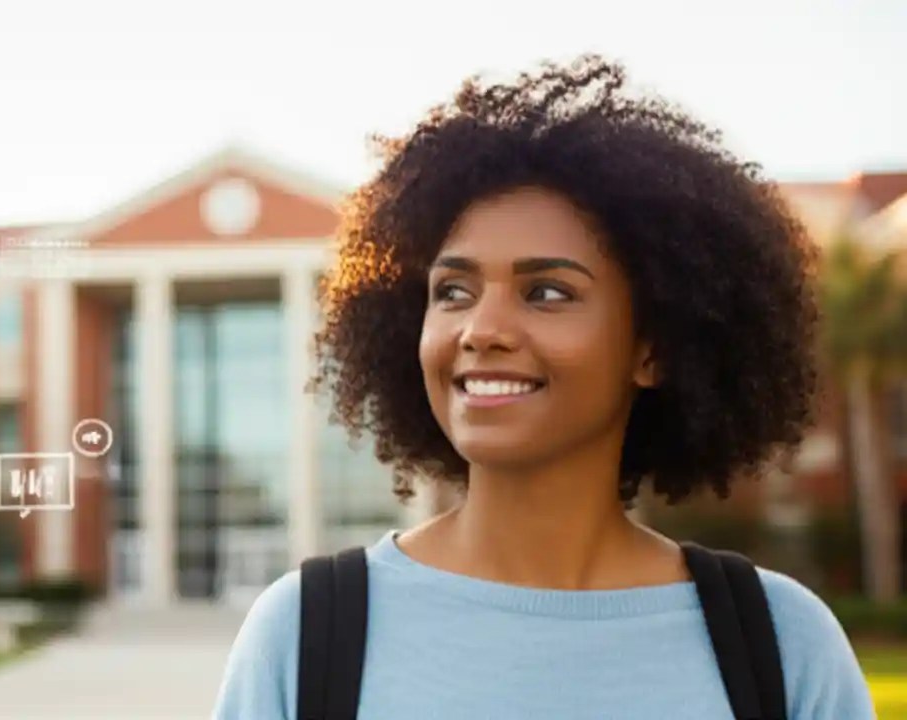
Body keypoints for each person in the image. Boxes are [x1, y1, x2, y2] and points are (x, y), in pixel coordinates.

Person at [211, 54, 875, 719]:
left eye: (547, 292)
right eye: (454, 291)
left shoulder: (780, 645)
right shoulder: (304, 636)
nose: (480, 329)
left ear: (653, 347)